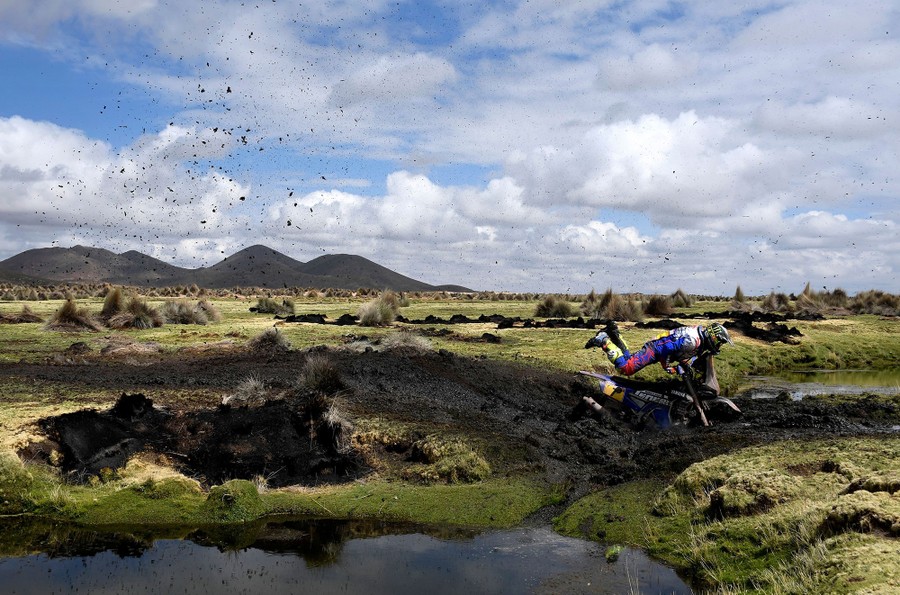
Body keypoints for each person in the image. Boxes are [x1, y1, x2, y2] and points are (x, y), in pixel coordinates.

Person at [585, 321, 733, 376]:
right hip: (655, 349)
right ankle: (603, 340)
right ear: (714, 337)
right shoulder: (693, 341)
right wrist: (666, 366)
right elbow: (667, 349)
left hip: (658, 346)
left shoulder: (699, 338)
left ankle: (615, 334)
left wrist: (684, 366)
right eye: (720, 342)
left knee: (629, 360)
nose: (719, 345)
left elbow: (686, 355)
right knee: (626, 368)